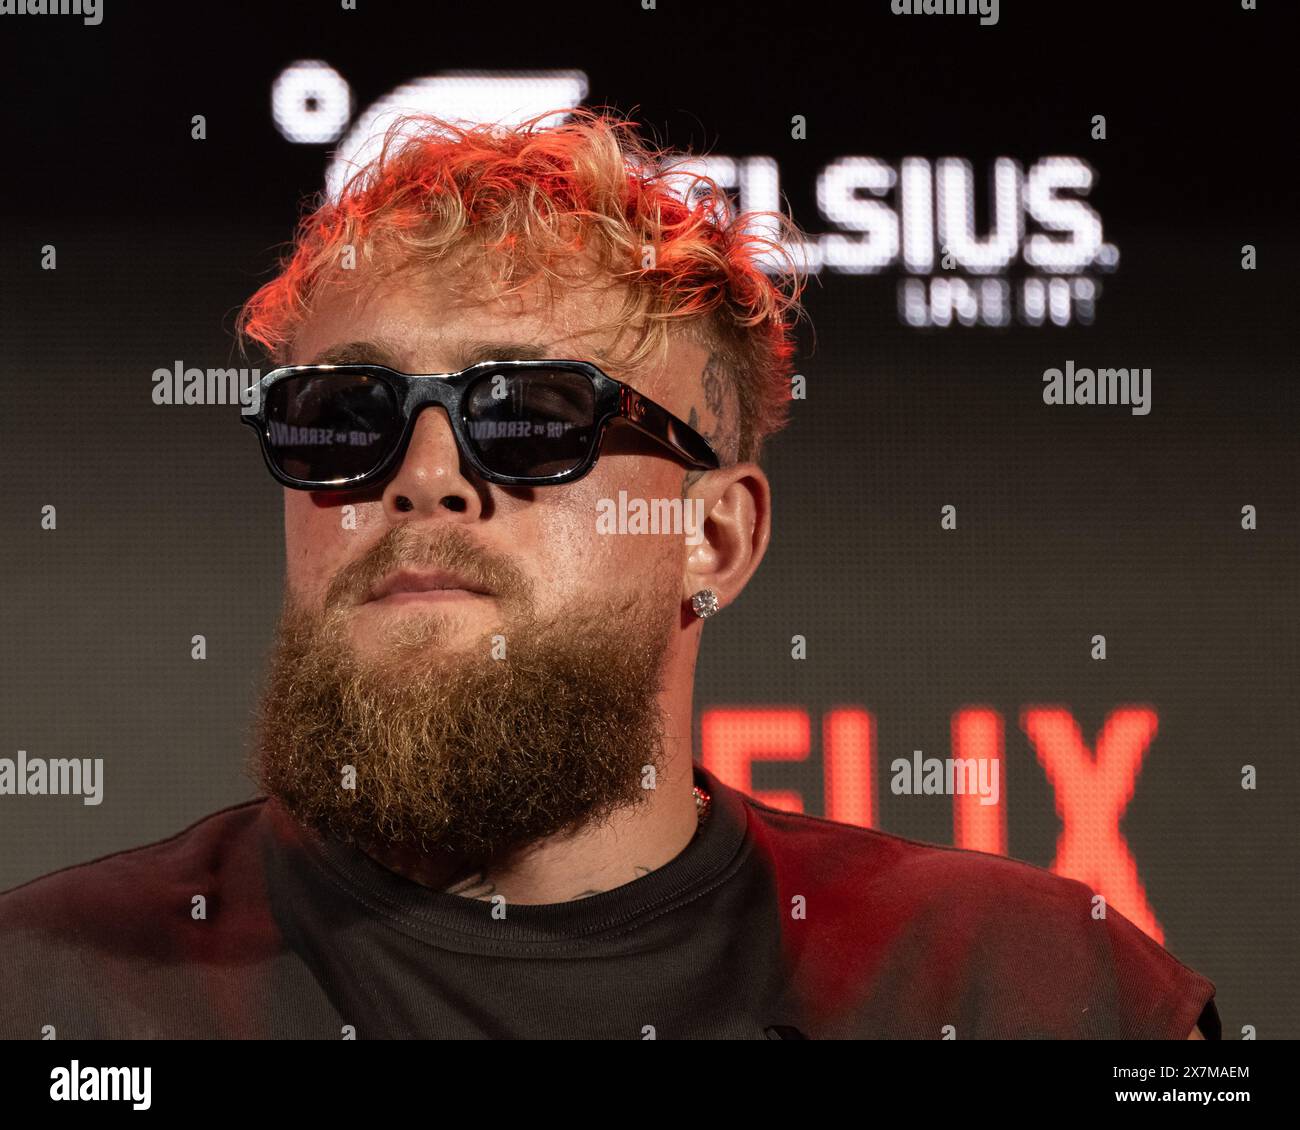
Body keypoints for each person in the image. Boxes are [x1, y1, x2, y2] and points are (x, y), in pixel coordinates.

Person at [0, 109, 1217, 1039]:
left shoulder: (1044, 993)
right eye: (344, 415)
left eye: (530, 415)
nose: (422, 476)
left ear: (717, 540)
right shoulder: (48, 987)